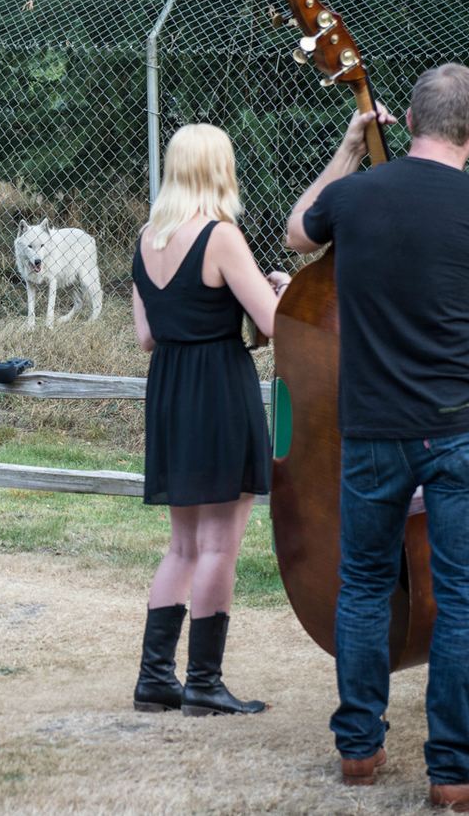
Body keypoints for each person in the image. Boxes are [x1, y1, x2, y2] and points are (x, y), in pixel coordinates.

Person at [285, 64, 469, 809]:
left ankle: (359, 748)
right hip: (461, 432)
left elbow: (297, 232)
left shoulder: (353, 199)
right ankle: (453, 770)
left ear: (409, 121)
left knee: (361, 585)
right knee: (460, 600)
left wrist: (353, 148)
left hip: (372, 432)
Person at [129, 124, 291, 717]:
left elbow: (147, 337)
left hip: (169, 389)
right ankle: (203, 682)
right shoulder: (222, 237)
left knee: (183, 545)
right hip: (220, 390)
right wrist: (286, 288)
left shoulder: (147, 237)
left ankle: (155, 679)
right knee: (220, 546)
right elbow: (272, 323)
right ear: (219, 170)